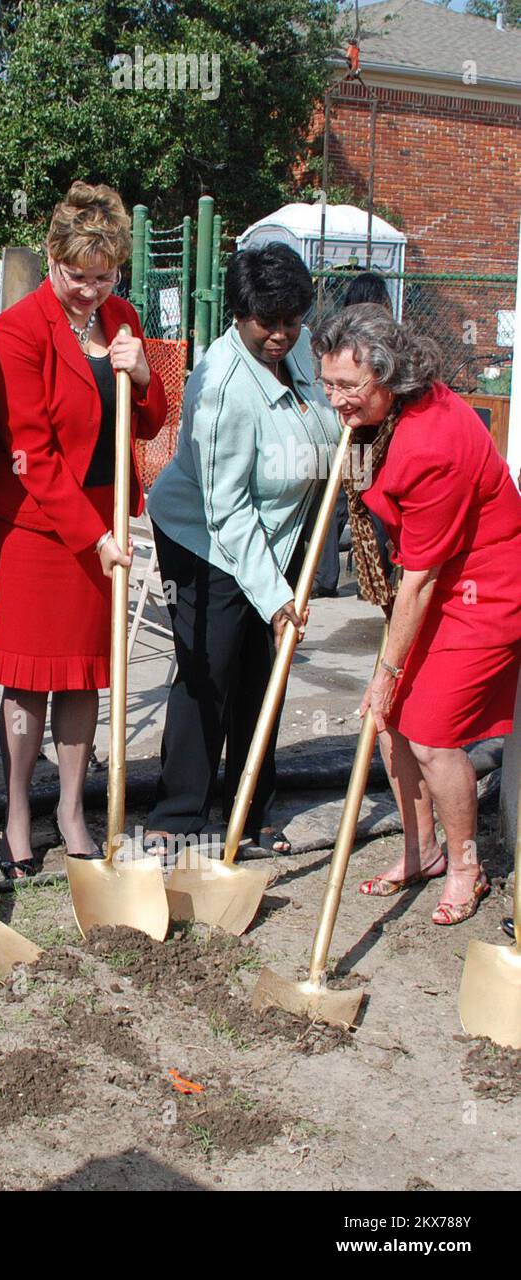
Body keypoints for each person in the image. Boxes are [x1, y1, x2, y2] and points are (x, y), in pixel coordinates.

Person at [0, 182, 167, 877]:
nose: (89, 291)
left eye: (103, 278)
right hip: (33, 526)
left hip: (102, 513)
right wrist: (95, 539)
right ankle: (18, 809)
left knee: (85, 675)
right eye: (77, 276)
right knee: (28, 680)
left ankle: (72, 809)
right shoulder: (16, 331)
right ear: (52, 257)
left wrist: (143, 376)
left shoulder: (123, 318)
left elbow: (149, 422)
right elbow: (31, 452)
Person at [314, 304, 521, 925]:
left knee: (431, 734)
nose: (336, 401)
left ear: (390, 374)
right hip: (432, 577)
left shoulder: (434, 443)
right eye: (327, 384)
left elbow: (422, 578)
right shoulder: (386, 413)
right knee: (389, 721)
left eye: (349, 388)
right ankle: (420, 848)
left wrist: (387, 670)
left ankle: (466, 864)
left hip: (484, 587)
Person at [144, 242, 341, 857]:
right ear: (238, 314)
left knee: (266, 673)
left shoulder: (300, 346)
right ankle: (176, 817)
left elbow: (326, 418)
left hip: (277, 532)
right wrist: (275, 598)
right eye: (268, 323)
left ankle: (250, 811)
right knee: (214, 666)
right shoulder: (223, 388)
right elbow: (226, 510)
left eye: (292, 320)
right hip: (205, 537)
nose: (282, 334)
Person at [315, 271, 394, 598]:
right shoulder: (383, 334)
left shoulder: (340, 333)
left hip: (347, 428)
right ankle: (375, 580)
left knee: (335, 503)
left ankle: (324, 577)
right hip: (373, 431)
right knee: (373, 503)